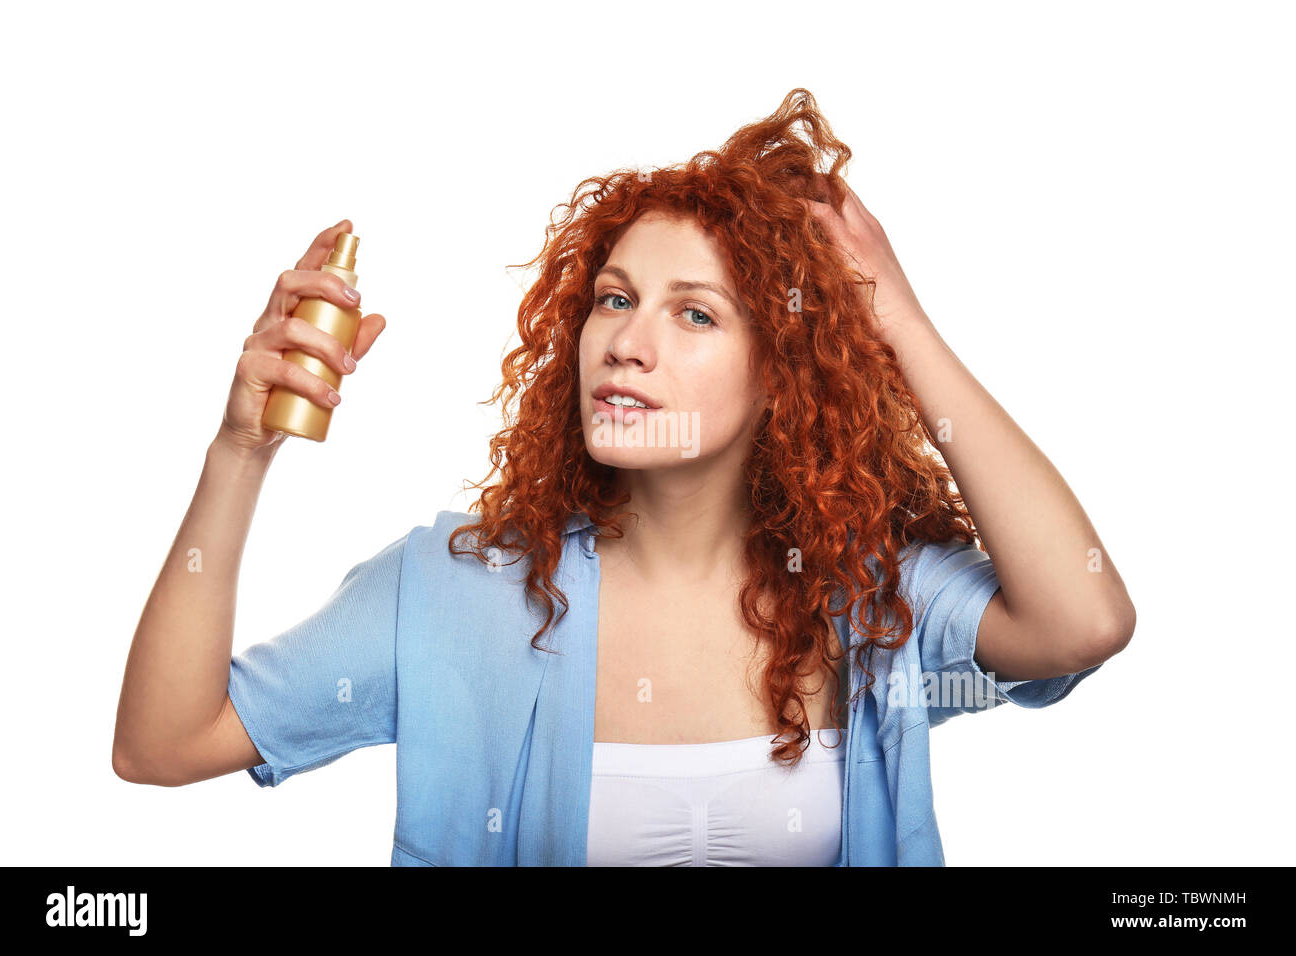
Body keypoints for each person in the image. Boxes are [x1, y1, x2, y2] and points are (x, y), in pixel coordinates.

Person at [113, 89, 1135, 866]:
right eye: (613, 300)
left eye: (694, 312)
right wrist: (239, 453)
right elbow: (164, 740)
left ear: (783, 371)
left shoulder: (867, 592)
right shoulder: (452, 593)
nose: (626, 344)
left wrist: (900, 322)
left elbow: (1081, 619)